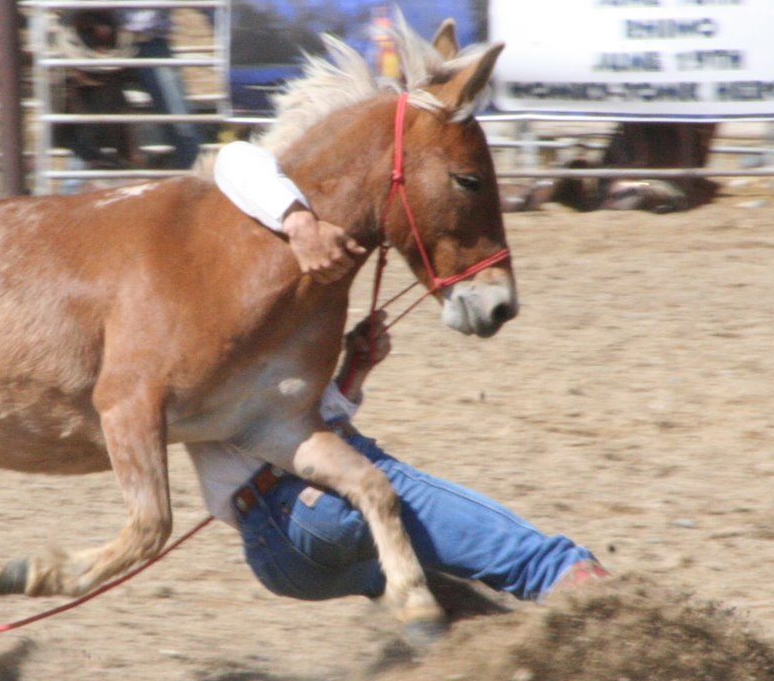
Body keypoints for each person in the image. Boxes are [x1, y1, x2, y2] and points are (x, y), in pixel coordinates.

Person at [200, 139, 610, 610]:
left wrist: (352, 374)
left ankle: (476, 669)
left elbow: (267, 416)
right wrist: (299, 221)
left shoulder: (195, 330)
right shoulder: (238, 297)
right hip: (322, 499)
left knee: (446, 599)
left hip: (278, 556)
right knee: (541, 562)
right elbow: (233, 157)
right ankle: (624, 619)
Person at [61, 0, 217, 168]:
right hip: (108, 40)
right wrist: (81, 12)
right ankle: (73, 186)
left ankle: (193, 181)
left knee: (180, 120)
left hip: (151, 41)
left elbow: (212, 4)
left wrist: (228, 41)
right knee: (92, 118)